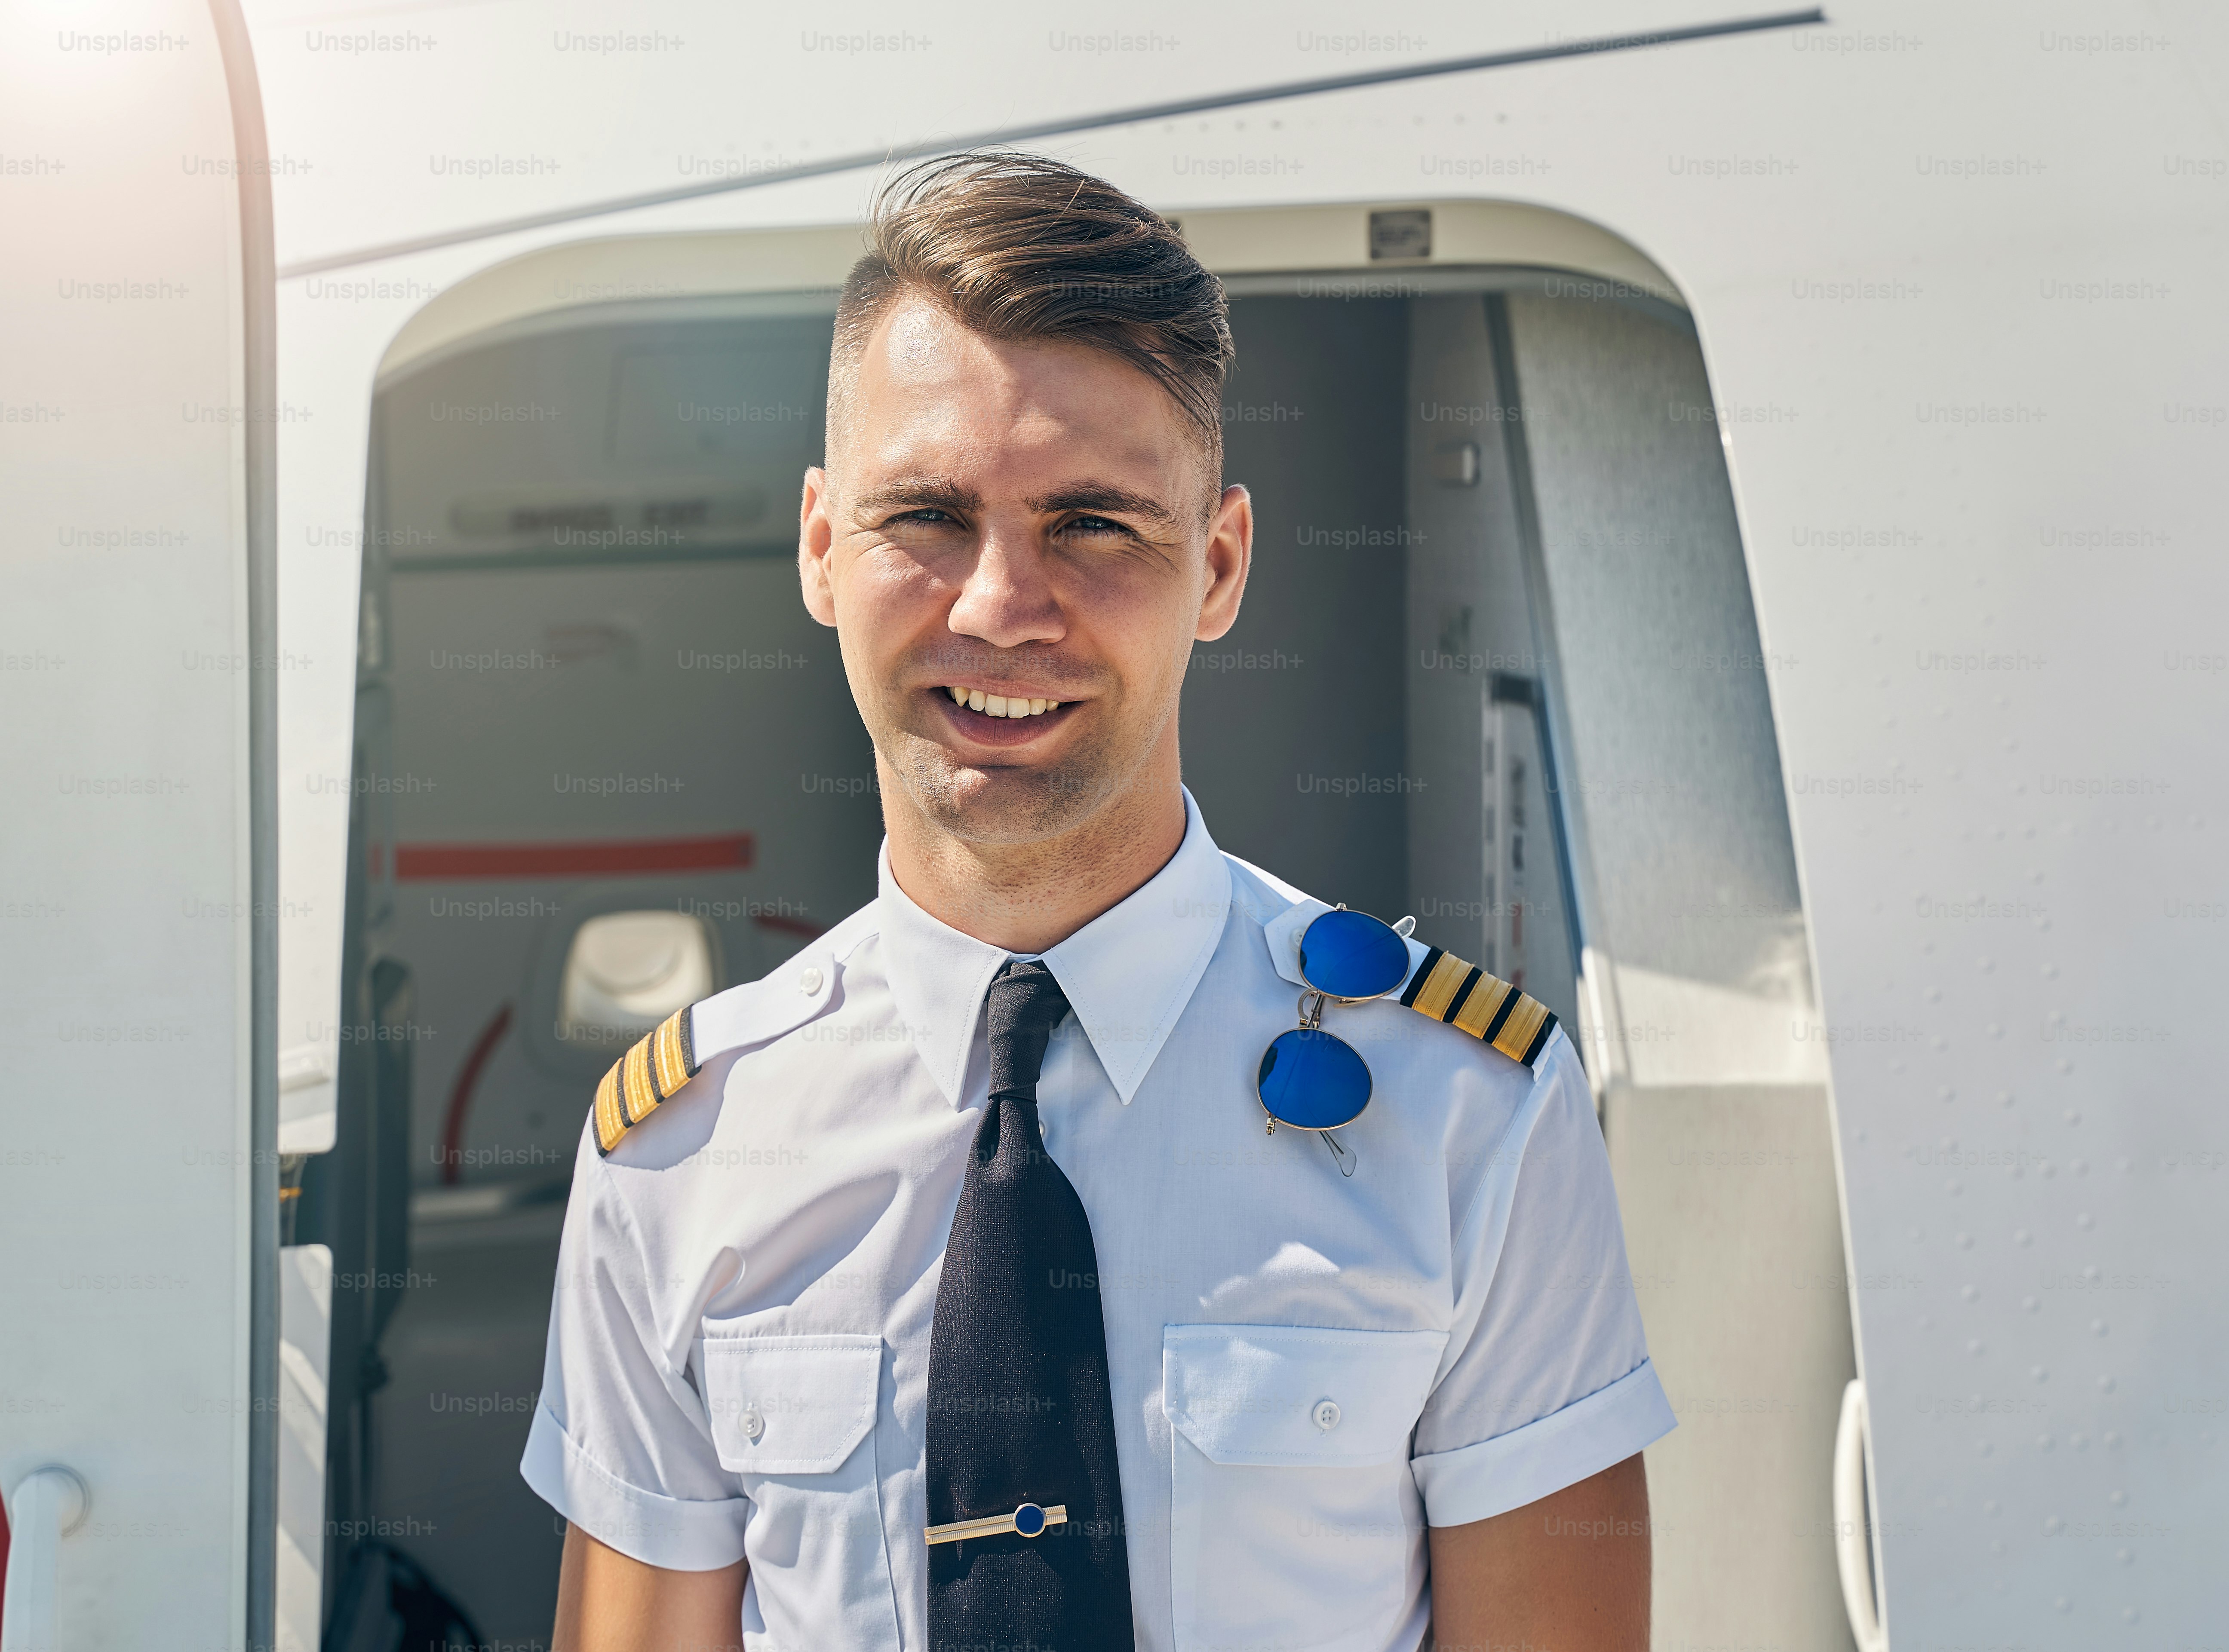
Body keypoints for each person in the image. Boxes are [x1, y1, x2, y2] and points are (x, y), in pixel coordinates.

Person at [523, 150, 1676, 1652]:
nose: (999, 605)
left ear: (1218, 564)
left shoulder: (1470, 1120)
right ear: (821, 548)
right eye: (924, 514)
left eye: (1095, 524)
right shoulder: (679, 1155)